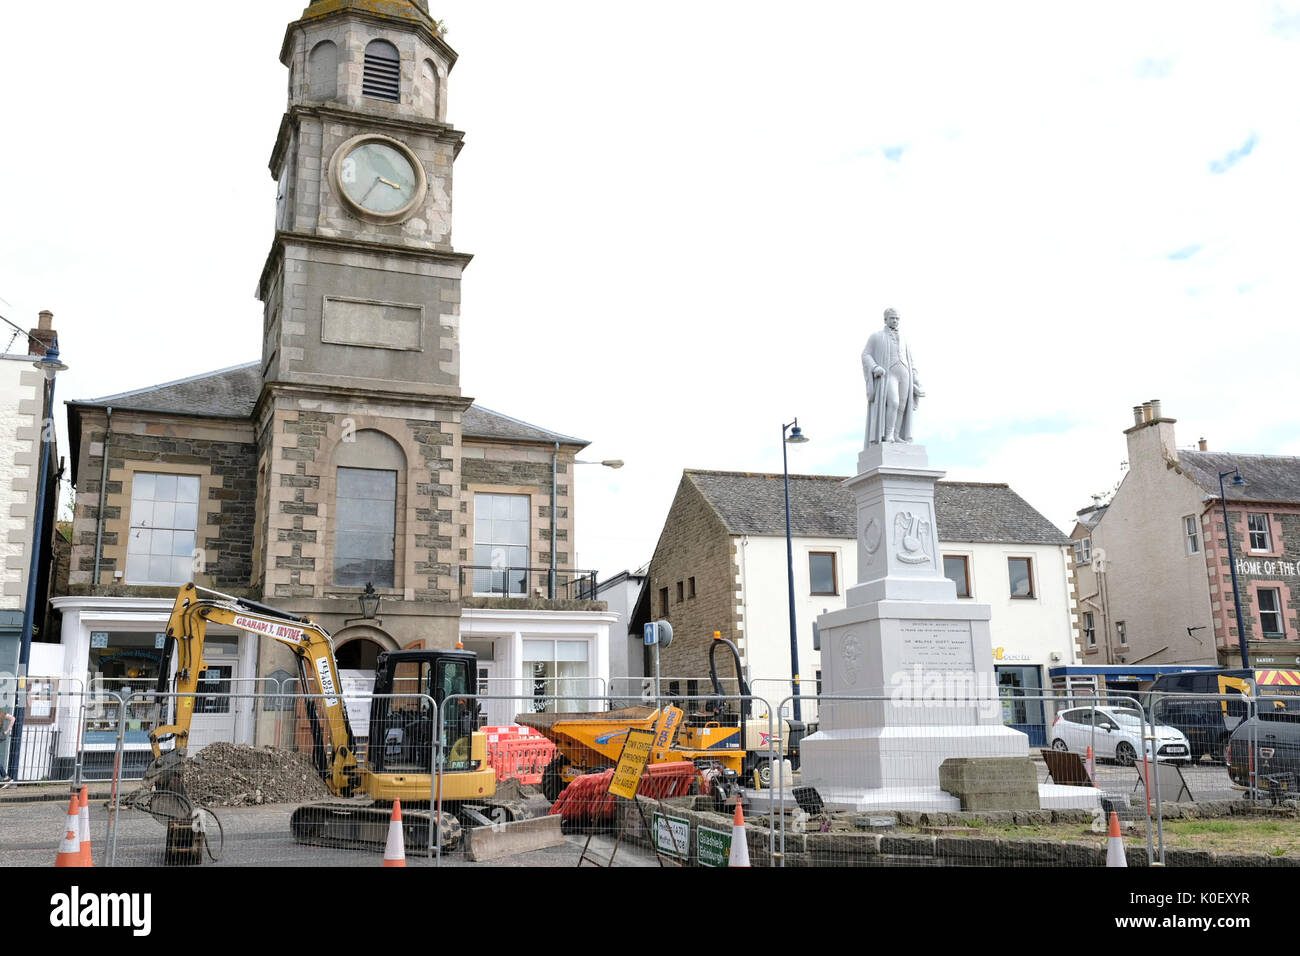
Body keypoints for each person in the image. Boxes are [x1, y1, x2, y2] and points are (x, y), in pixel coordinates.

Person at [862, 307, 925, 444]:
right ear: (885, 319)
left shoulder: (905, 339)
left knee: (902, 404)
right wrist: (875, 367)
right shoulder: (876, 336)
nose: (895, 321)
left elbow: (911, 362)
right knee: (894, 402)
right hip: (888, 374)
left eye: (897, 318)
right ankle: (888, 434)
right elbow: (866, 355)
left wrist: (917, 381)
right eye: (892, 318)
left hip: (905, 374)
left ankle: (896, 435)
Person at [0, 705, 14, 788]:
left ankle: (6, 777)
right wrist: (6, 731)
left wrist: (6, 731)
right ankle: (6, 777)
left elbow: (13, 718)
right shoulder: (2, 713)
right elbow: (13, 718)